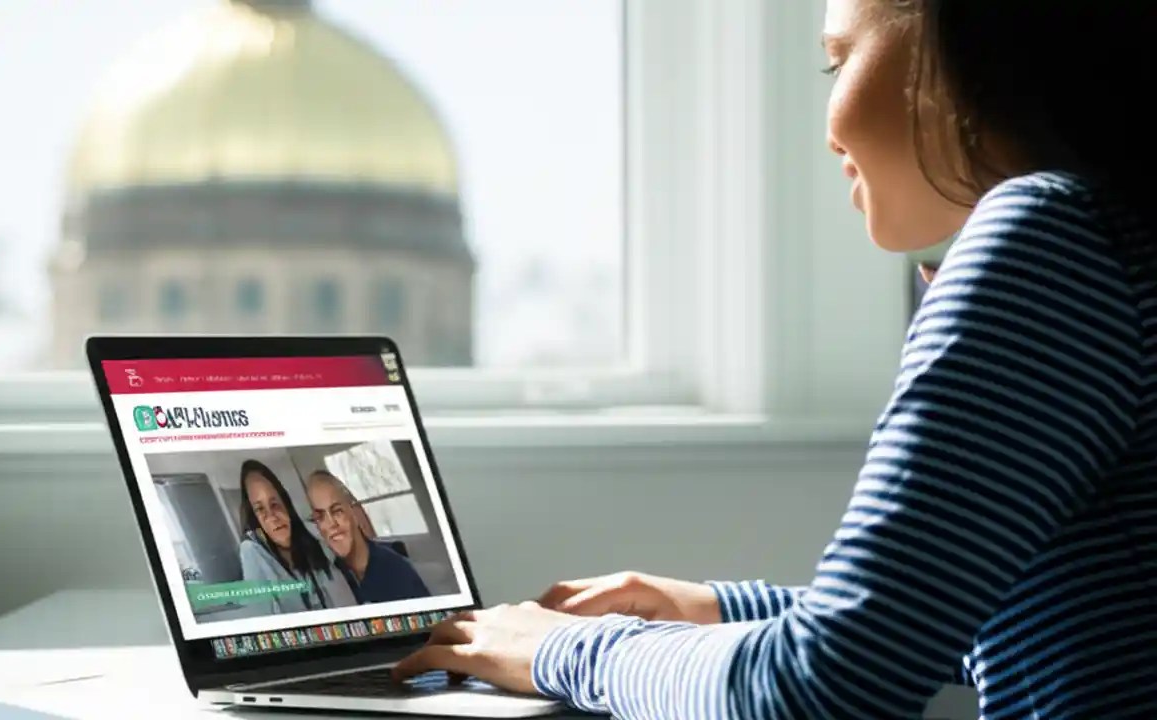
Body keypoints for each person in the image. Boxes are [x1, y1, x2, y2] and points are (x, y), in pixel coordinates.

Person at [392, 2, 1157, 717]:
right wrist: (719, 608)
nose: (828, 129)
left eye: (839, 59)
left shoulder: (1052, 240)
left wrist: (558, 649)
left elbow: (822, 688)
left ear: (965, 38)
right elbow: (1001, 627)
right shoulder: (1115, 242)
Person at [237, 459, 356, 613]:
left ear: (286, 504)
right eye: (260, 510)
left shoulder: (316, 544)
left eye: (275, 504)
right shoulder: (252, 551)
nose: (273, 517)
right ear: (254, 519)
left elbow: (346, 605)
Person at [303, 470, 431, 604]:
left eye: (337, 511)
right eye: (320, 517)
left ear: (354, 512)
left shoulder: (396, 571)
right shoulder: (334, 576)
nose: (331, 524)